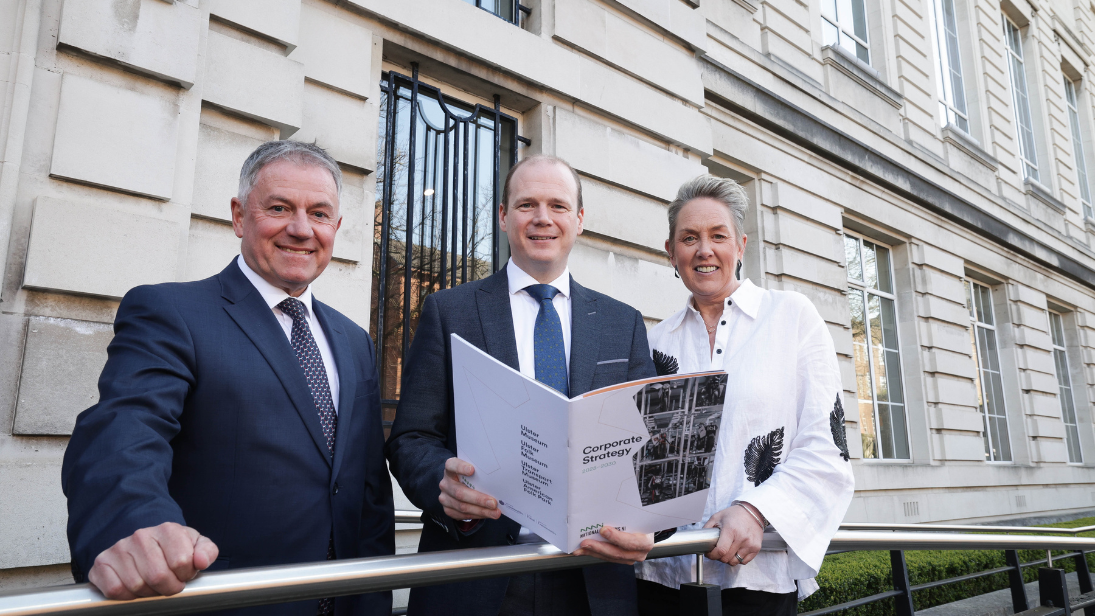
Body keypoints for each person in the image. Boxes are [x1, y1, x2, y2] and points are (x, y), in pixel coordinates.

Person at [61, 141, 394, 616]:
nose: (301, 229)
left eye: (319, 214)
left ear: (336, 228)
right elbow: (123, 431)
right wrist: (133, 523)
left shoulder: (354, 340)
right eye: (279, 208)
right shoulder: (171, 312)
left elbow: (367, 491)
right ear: (240, 216)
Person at [385, 155, 656, 616]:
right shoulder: (449, 311)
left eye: (558, 205)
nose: (543, 218)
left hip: (593, 580)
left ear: (580, 220)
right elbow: (411, 436)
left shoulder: (622, 323)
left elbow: (650, 444)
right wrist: (443, 484)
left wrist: (648, 523)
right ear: (504, 217)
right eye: (527, 204)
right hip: (476, 573)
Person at [634, 175, 855, 616]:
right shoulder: (653, 342)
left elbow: (827, 447)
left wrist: (755, 510)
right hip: (661, 578)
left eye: (718, 236)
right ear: (671, 253)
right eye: (689, 238)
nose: (704, 249)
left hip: (757, 579)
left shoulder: (792, 317)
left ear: (741, 245)